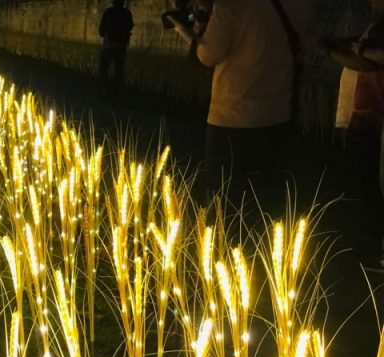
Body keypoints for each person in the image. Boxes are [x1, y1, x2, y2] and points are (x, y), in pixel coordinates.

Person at [168, 0, 314, 209]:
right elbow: (304, 46)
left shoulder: (231, 5)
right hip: (278, 115)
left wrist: (185, 31)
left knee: (226, 200)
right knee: (265, 199)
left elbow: (208, 55)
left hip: (233, 118)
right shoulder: (301, 6)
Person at [323, 1, 384, 266]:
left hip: (369, 117)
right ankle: (365, 242)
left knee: (367, 184)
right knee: (362, 182)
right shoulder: (376, 23)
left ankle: (369, 246)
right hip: (360, 117)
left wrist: (331, 50)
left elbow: (367, 62)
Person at [98, 0, 135, 99]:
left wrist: (106, 33)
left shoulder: (109, 12)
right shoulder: (126, 13)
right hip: (121, 46)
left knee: (103, 69)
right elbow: (130, 26)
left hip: (109, 46)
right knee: (118, 71)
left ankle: (107, 92)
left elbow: (101, 30)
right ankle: (115, 94)